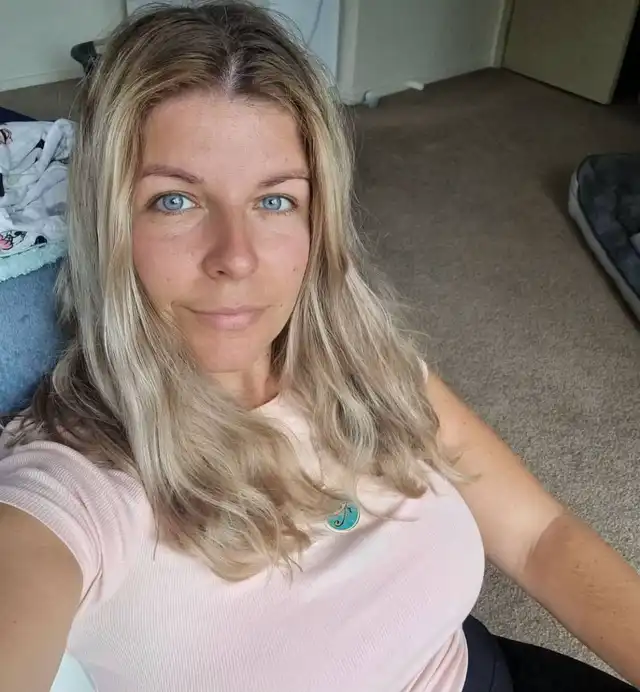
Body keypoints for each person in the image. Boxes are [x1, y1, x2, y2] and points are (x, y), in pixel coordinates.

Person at [0, 3, 639, 691]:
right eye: (175, 201)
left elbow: (539, 537)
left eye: (275, 201)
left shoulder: (365, 362)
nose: (236, 257)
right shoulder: (74, 482)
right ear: (109, 225)